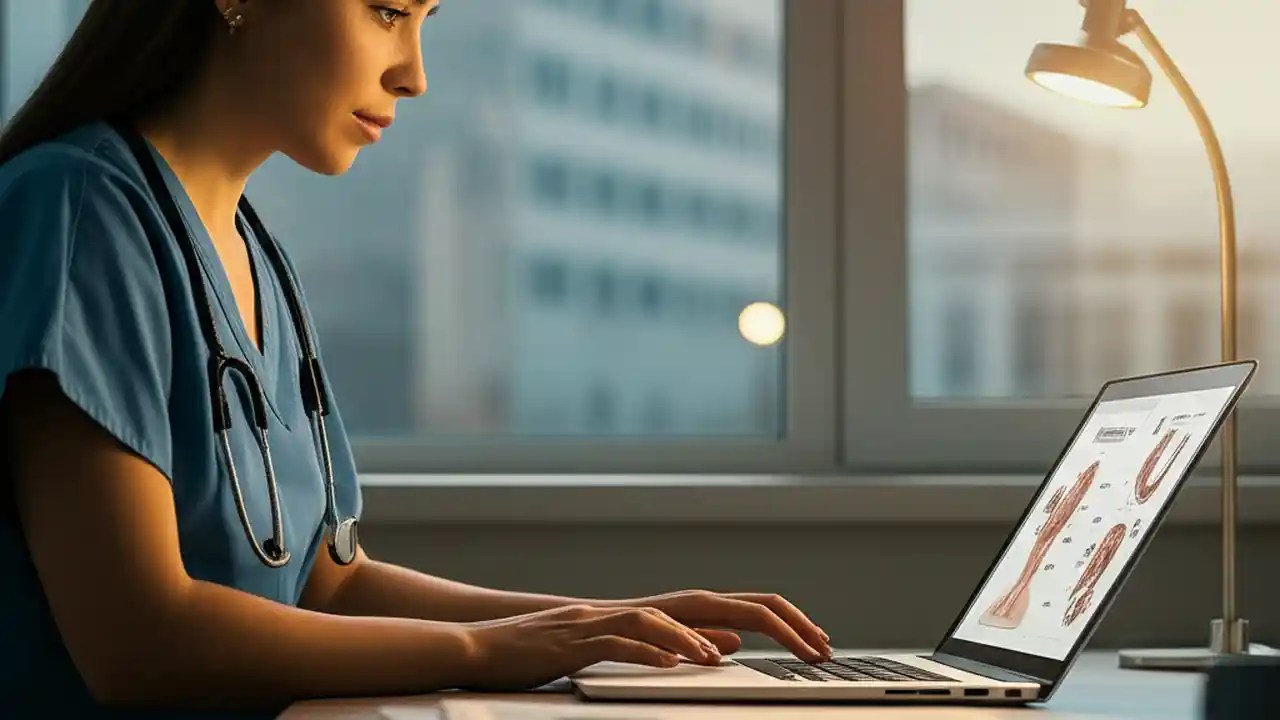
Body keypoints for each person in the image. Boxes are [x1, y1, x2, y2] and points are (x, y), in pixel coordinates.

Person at [0, 1, 833, 716]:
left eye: (425, 20)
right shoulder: (77, 211)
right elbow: (137, 640)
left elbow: (330, 584)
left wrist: (600, 623)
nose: (414, 75)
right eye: (387, 13)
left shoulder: (255, 254)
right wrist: (481, 650)